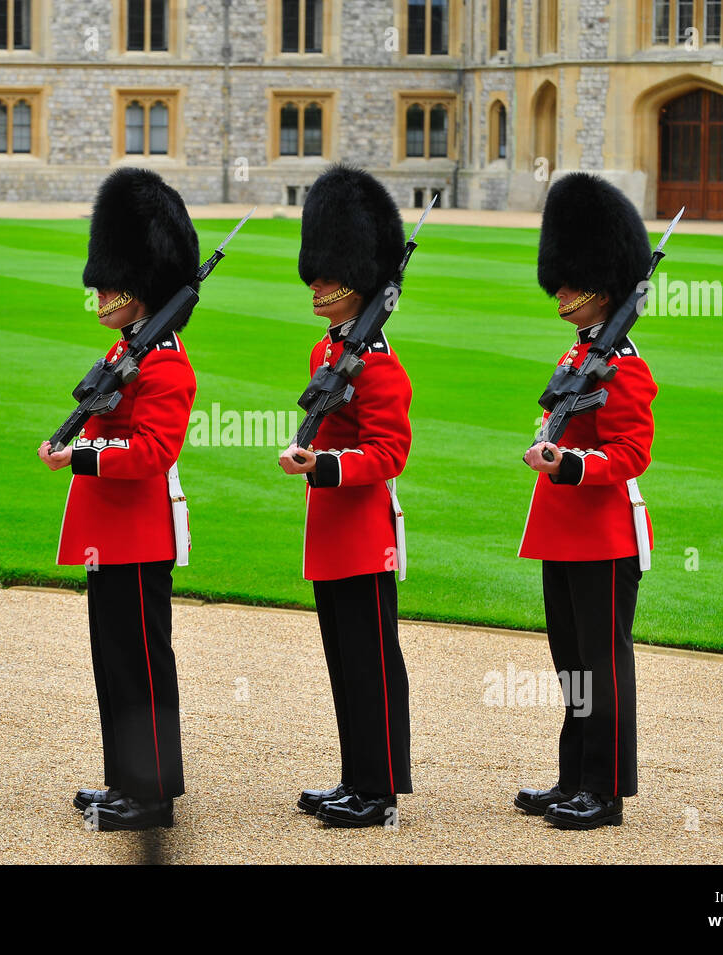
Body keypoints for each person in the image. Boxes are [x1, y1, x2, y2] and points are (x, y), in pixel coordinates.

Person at [37, 167, 198, 831]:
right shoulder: (127, 351)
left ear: (145, 285)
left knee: (141, 661)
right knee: (113, 661)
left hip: (138, 530)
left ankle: (152, 793)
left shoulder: (165, 364)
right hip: (110, 530)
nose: (101, 292)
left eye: (113, 281)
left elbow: (152, 454)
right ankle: (124, 778)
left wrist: (80, 454)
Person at [515, 172, 658, 830]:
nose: (560, 293)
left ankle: (604, 790)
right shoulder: (580, 355)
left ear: (603, 286)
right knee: (571, 665)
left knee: (602, 665)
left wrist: (569, 462)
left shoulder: (624, 365)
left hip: (603, 534)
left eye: (572, 283)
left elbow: (630, 452)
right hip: (563, 530)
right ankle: (573, 776)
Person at [278, 164, 413, 828]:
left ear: (359, 280)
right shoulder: (324, 352)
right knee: (342, 659)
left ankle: (380, 789)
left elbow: (390, 453)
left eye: (328, 276)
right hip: (331, 528)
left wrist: (323, 465)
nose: (317, 283)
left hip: (362, 527)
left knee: (371, 660)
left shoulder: (380, 364)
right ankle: (354, 776)